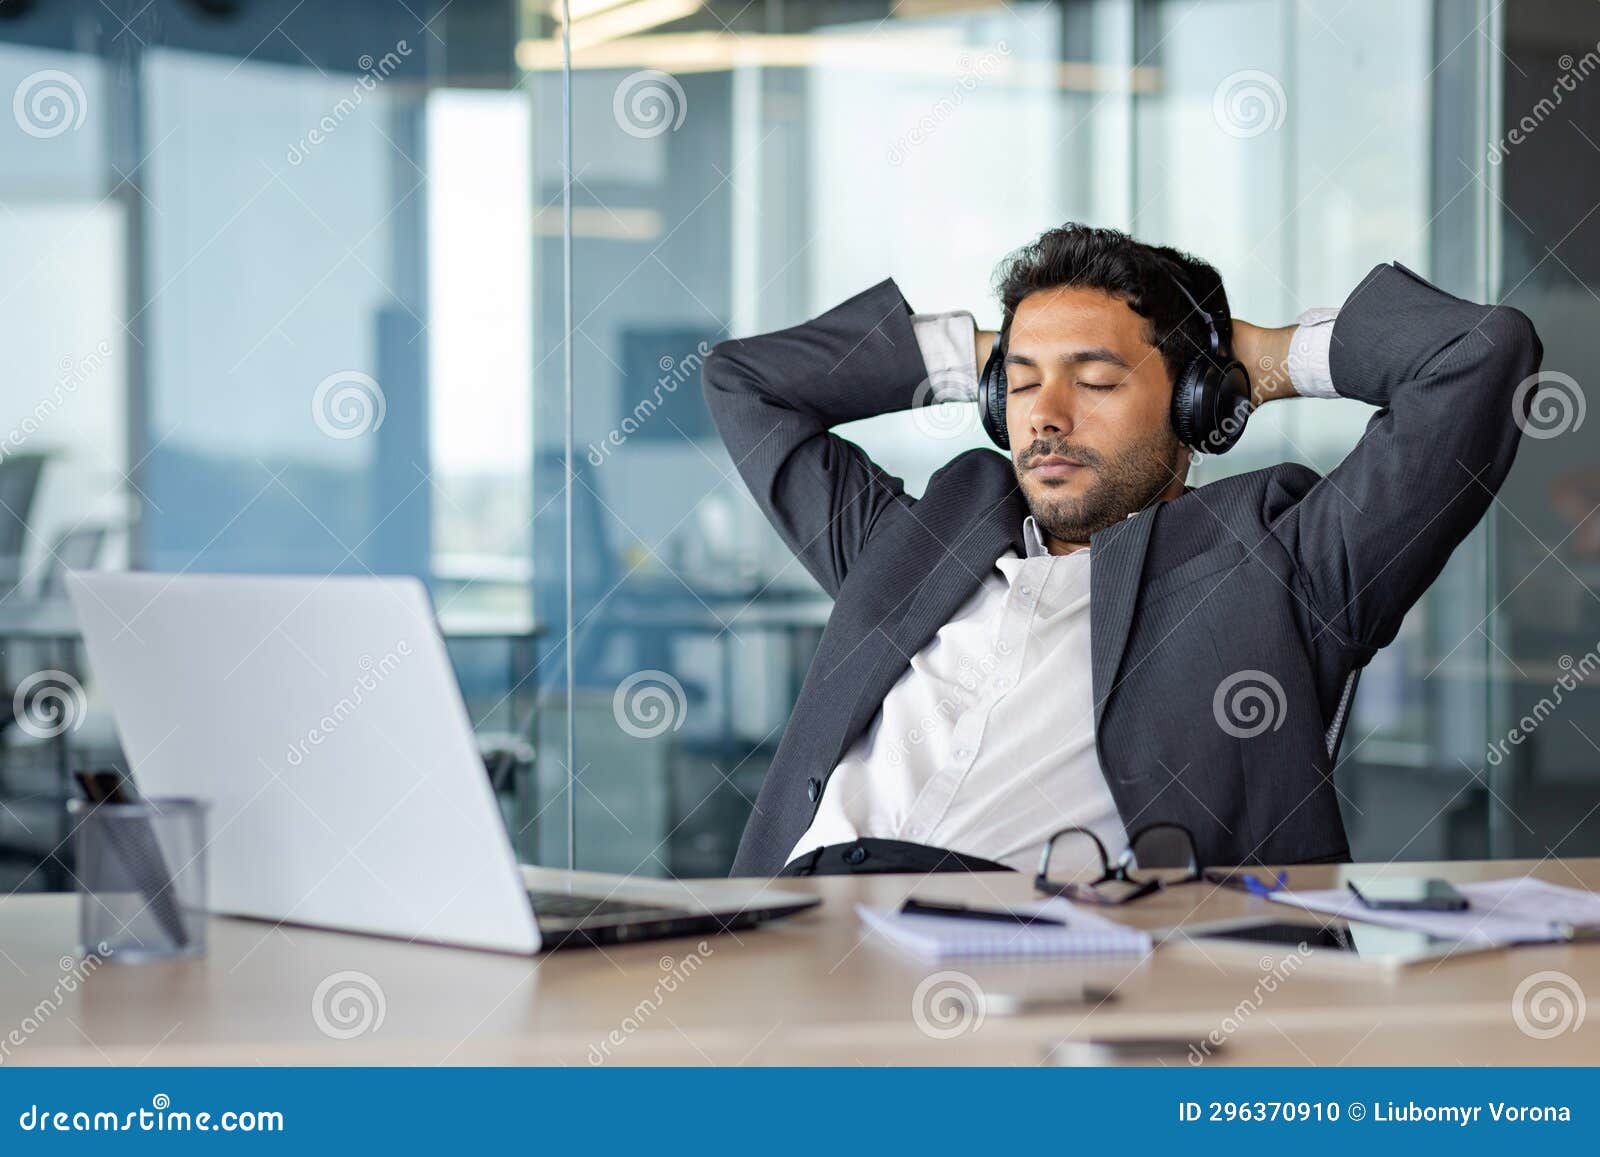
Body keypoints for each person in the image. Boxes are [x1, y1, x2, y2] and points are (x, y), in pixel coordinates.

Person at [702, 224, 1542, 877]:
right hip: (786, 941)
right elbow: (746, 382)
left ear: (1190, 406)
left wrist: (1262, 360)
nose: (1047, 414)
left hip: (1034, 991)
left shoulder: (1279, 565)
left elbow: (1480, 358)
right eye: (1022, 384)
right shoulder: (910, 546)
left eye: (1096, 380)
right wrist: (974, 357)